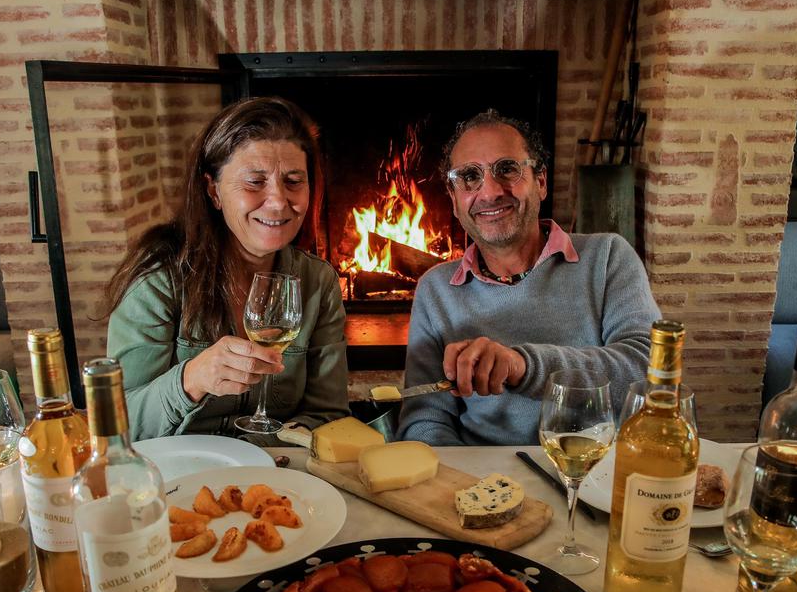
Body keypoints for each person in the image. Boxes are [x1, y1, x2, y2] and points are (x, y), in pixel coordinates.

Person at [398, 110, 660, 446]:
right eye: (469, 176)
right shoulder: (436, 290)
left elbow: (648, 374)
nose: (490, 192)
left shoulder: (608, 258)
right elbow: (425, 418)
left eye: (507, 169)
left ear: (540, 181)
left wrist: (523, 366)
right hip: (481, 481)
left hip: (593, 470)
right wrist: (460, 485)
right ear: (453, 199)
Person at [104, 96, 349, 440]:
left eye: (294, 181)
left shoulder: (317, 281)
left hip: (277, 471)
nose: (279, 201)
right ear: (213, 190)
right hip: (180, 474)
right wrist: (192, 380)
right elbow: (117, 427)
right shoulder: (160, 278)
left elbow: (328, 413)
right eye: (254, 182)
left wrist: (257, 451)